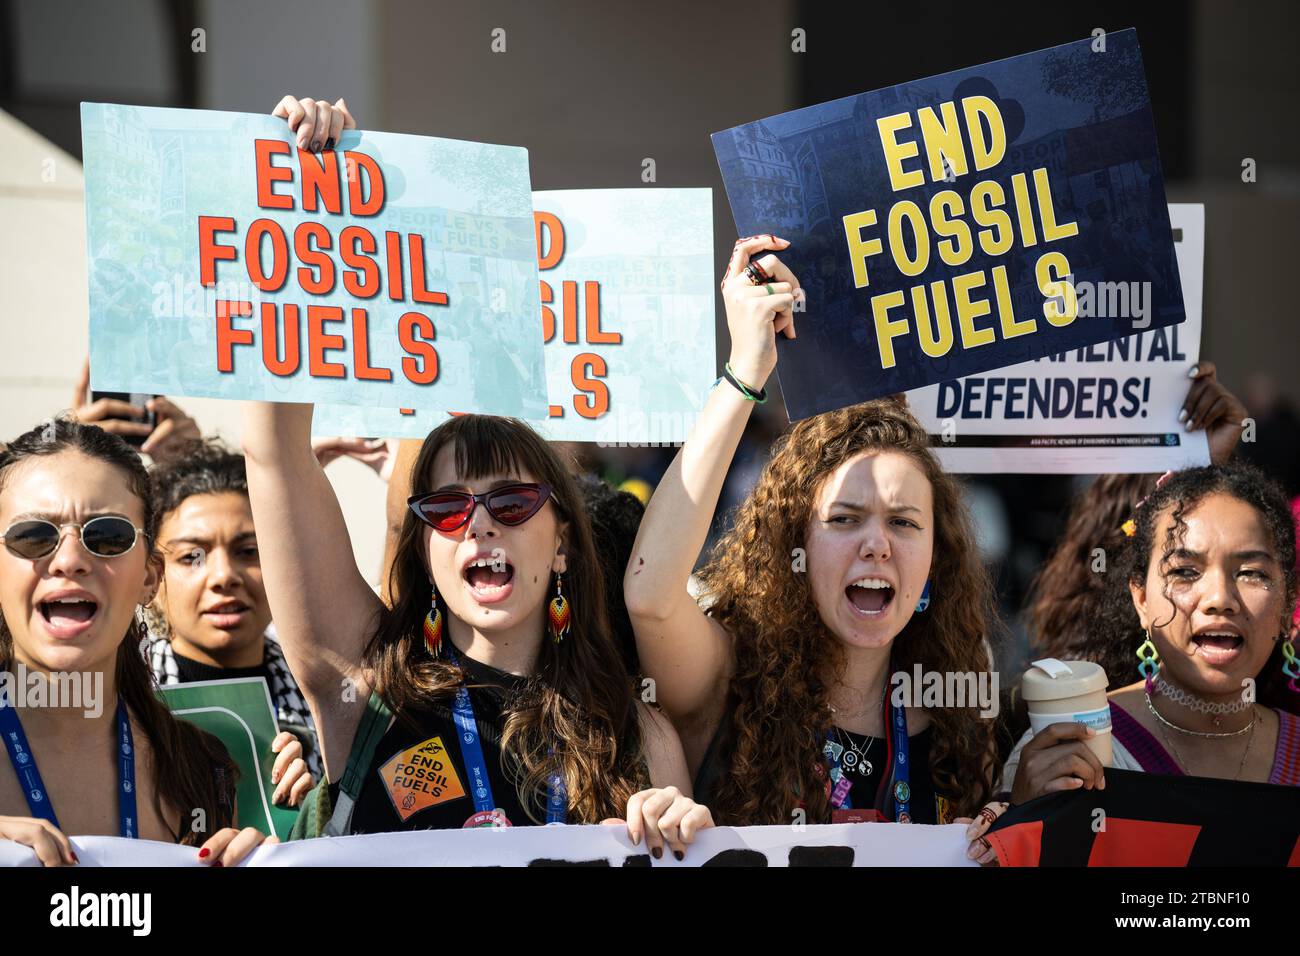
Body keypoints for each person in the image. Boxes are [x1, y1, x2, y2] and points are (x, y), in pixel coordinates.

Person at [237, 86, 713, 859]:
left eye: (513, 502)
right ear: (425, 544)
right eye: (449, 510)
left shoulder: (639, 729)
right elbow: (275, 455)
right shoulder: (367, 686)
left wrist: (685, 830)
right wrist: (313, 214)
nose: (480, 524)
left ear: (563, 541)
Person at [625, 235, 1005, 861]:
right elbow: (649, 595)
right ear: (791, 546)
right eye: (845, 519)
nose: (877, 544)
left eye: (905, 524)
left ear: (938, 557)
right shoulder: (728, 678)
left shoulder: (962, 711)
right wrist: (745, 372)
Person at [0, 419, 273, 866]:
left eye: (108, 537)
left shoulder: (202, 768)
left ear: (150, 577)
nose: (69, 560)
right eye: (33, 536)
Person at [1001, 462, 1300, 801]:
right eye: (1185, 571)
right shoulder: (1073, 747)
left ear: (1288, 602)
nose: (1220, 599)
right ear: (1141, 599)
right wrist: (1024, 811)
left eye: (1250, 573)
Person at [143, 438, 322, 791]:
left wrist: (312, 811)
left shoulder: (329, 698)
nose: (224, 576)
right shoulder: (117, 700)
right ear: (151, 578)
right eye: (192, 556)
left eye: (248, 551)